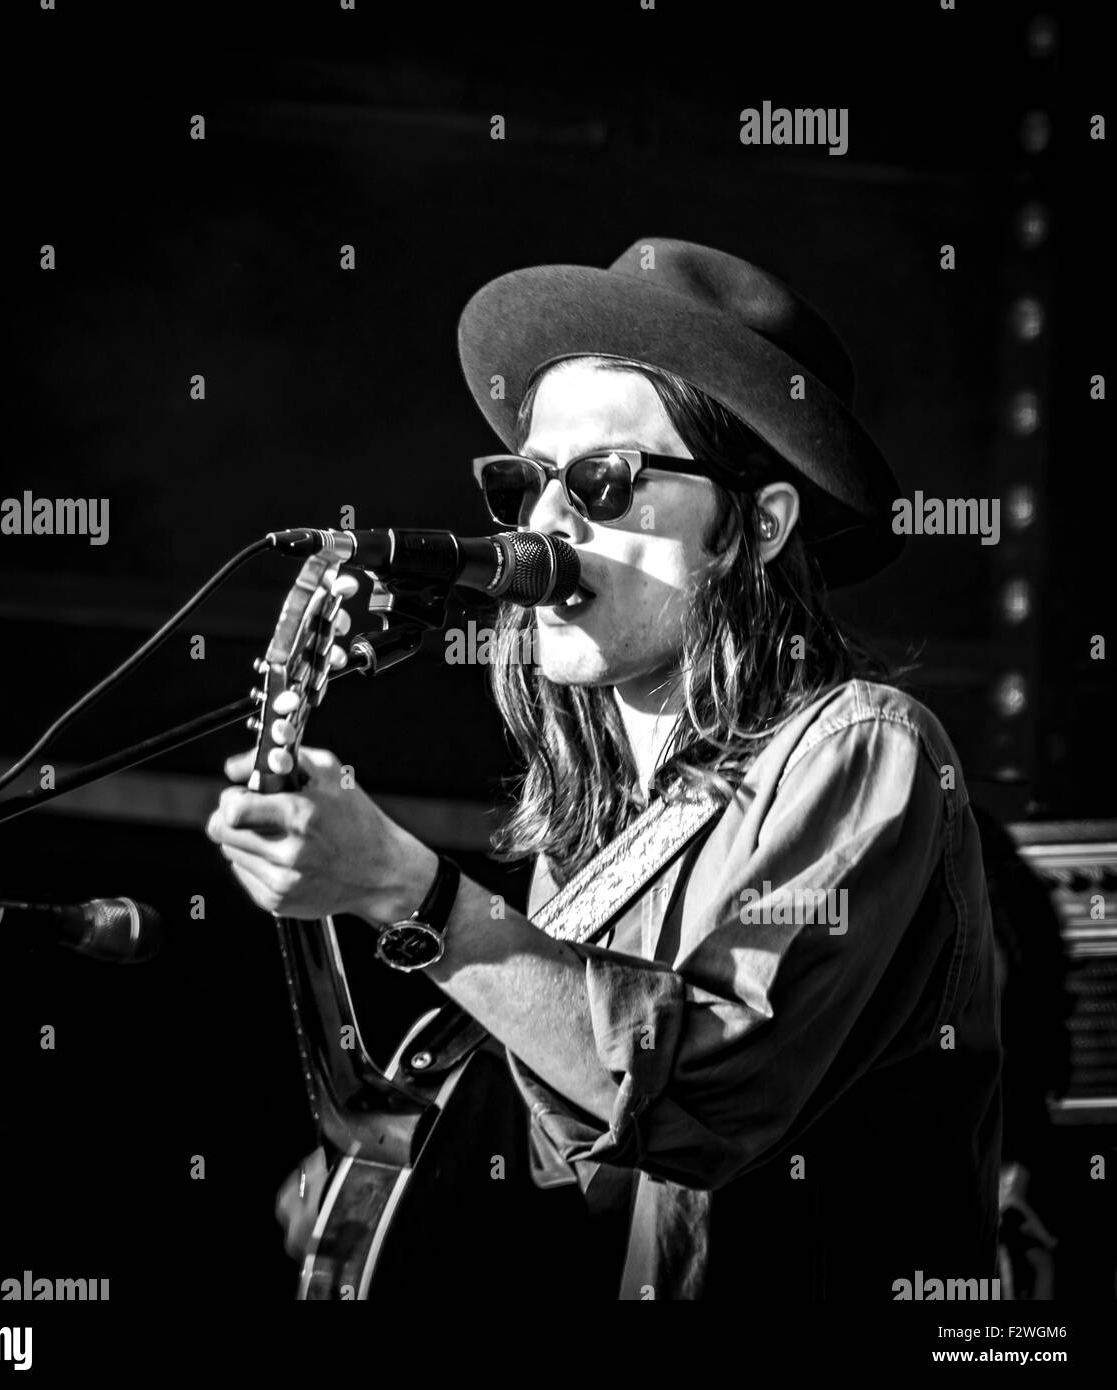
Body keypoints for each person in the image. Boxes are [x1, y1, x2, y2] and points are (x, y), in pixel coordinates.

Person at [207, 238, 1002, 1299]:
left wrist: (412, 892)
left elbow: (706, 1100)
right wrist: (403, 1156)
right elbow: (583, 1157)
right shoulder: (593, 834)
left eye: (602, 481)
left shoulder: (864, 748)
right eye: (526, 482)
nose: (544, 522)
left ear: (754, 527)